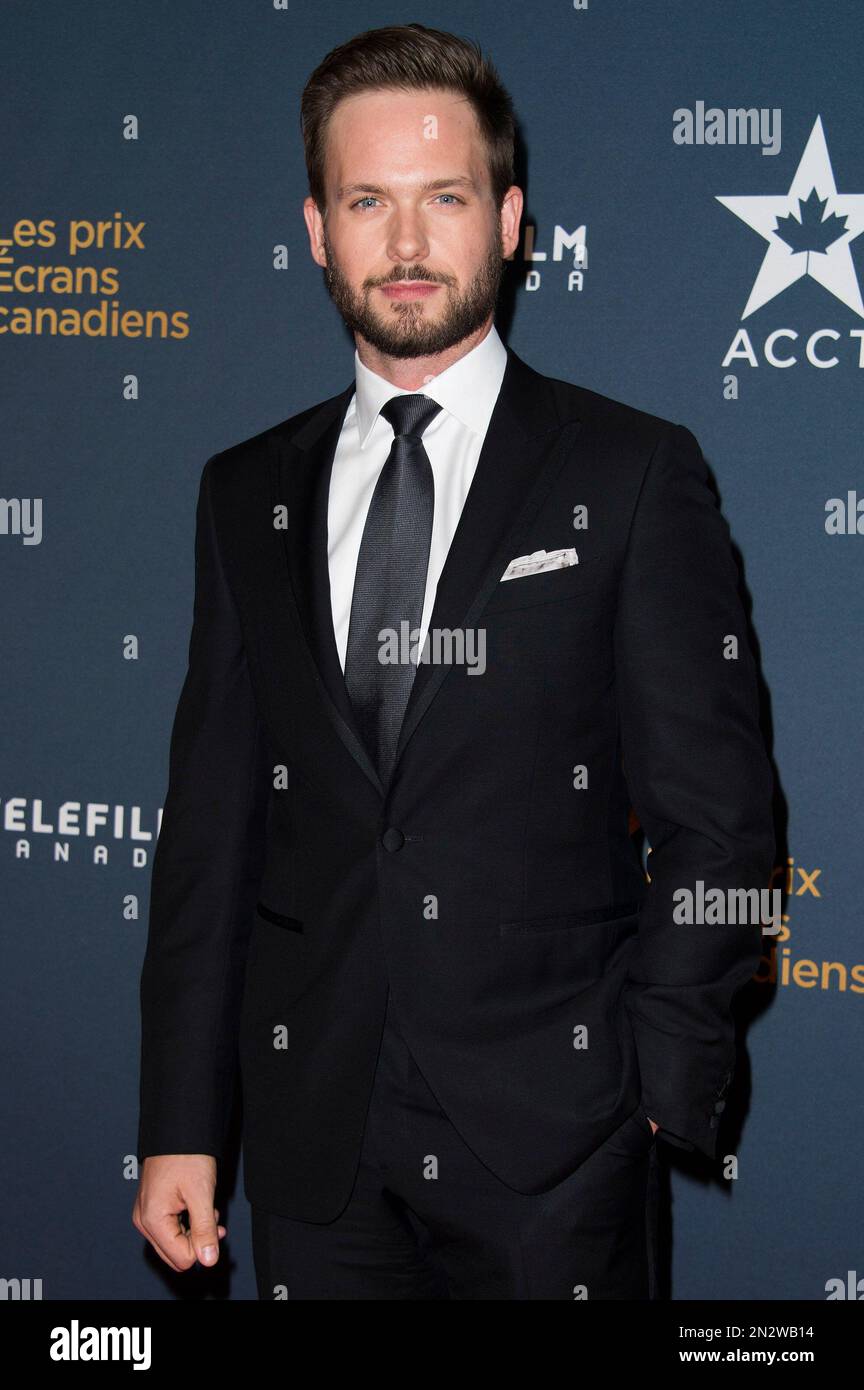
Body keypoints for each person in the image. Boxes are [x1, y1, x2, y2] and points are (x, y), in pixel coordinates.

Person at [133, 22, 775, 1300]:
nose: (409, 243)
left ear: (512, 219)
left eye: (446, 199)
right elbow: (211, 832)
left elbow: (725, 821)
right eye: (369, 200)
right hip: (319, 1145)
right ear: (318, 229)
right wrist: (181, 1119)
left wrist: (657, 1082)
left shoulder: (630, 474)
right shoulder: (244, 491)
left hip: (561, 1149)